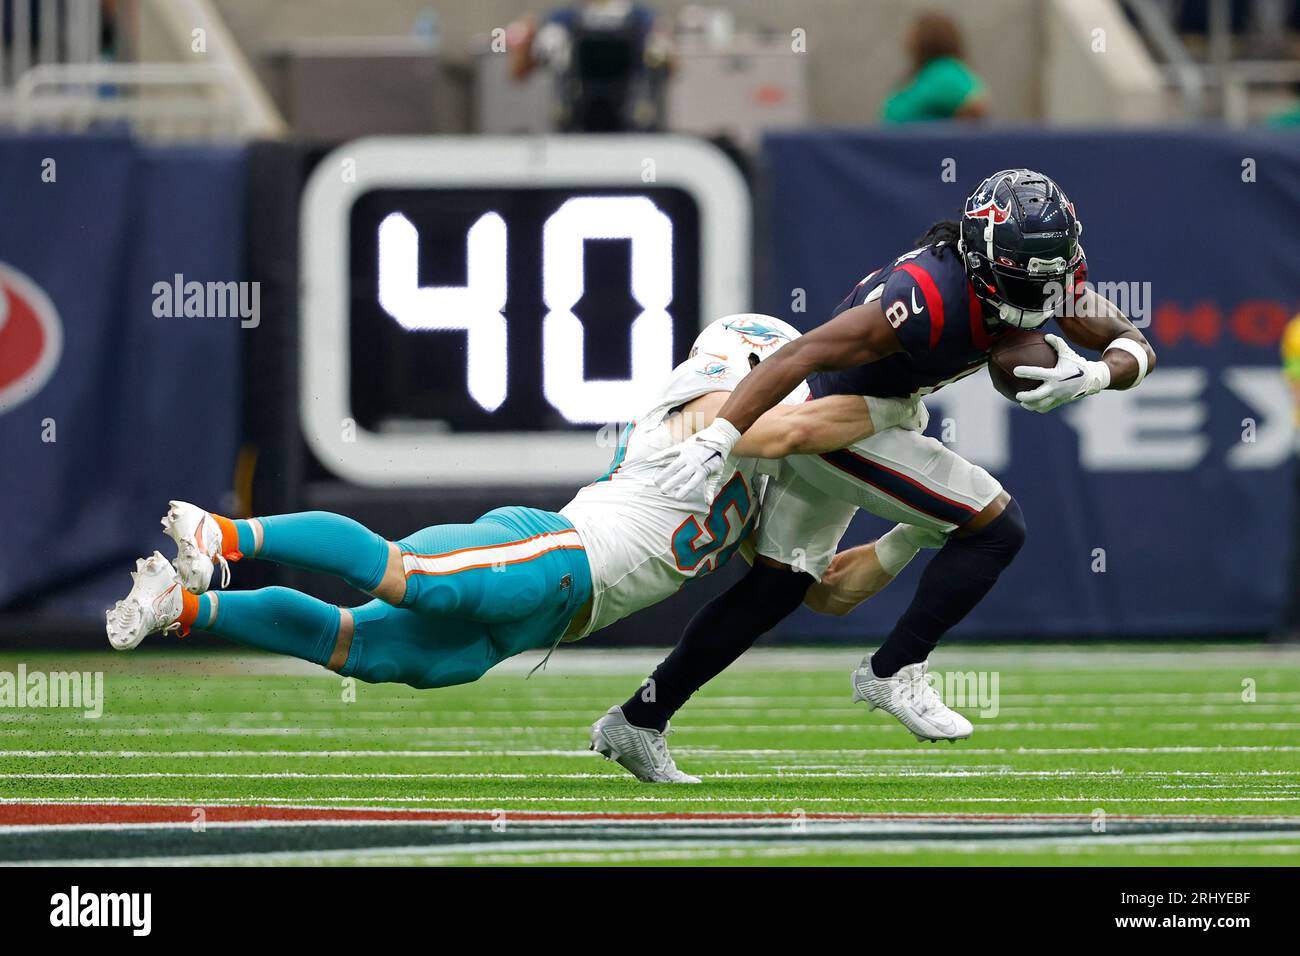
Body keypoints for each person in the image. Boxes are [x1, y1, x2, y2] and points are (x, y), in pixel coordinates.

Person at [105, 315, 933, 783]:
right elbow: (776, 419)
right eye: (775, 369)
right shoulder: (710, 409)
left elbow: (822, 591)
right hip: (556, 552)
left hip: (559, 616)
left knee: (378, 654)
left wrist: (916, 528)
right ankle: (223, 534)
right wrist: (893, 411)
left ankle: (180, 605)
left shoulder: (758, 478)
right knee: (412, 577)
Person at [613, 170, 1157, 767]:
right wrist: (721, 432)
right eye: (1022, 280)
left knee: (779, 588)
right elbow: (804, 352)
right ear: (980, 260)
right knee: (998, 527)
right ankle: (895, 669)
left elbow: (1132, 342)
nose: (1039, 299)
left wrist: (1098, 374)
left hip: (884, 415)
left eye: (1050, 277)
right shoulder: (925, 298)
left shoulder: (1041, 269)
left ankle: (639, 719)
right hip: (842, 419)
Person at [881, 11, 987, 123]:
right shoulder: (924, 74)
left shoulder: (945, 71)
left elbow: (976, 105)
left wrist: (951, 135)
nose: (905, 40)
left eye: (913, 34)